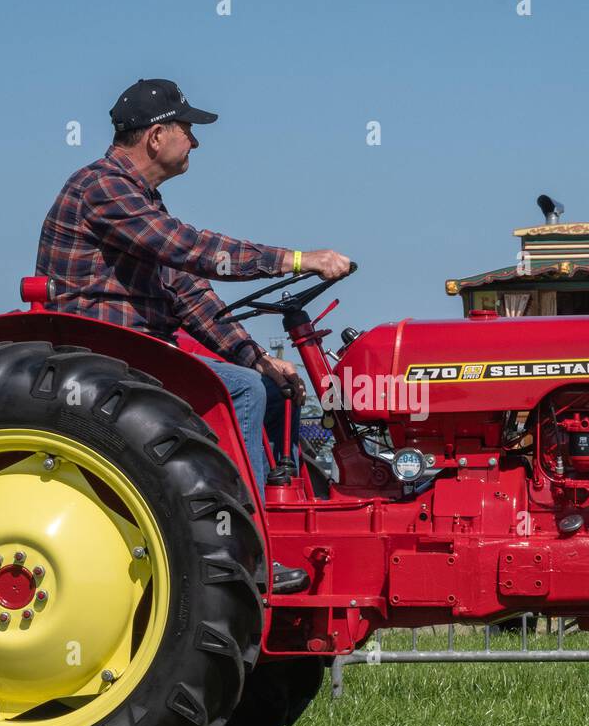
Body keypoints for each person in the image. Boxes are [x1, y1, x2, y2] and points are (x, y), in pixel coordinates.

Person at [36, 78, 353, 592]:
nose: (196, 142)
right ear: (157, 135)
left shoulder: (143, 203)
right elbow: (191, 249)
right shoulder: (101, 188)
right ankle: (244, 550)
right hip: (103, 358)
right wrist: (297, 260)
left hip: (143, 354)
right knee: (243, 392)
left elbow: (190, 294)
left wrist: (258, 358)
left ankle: (286, 525)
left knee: (271, 389)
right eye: (188, 130)